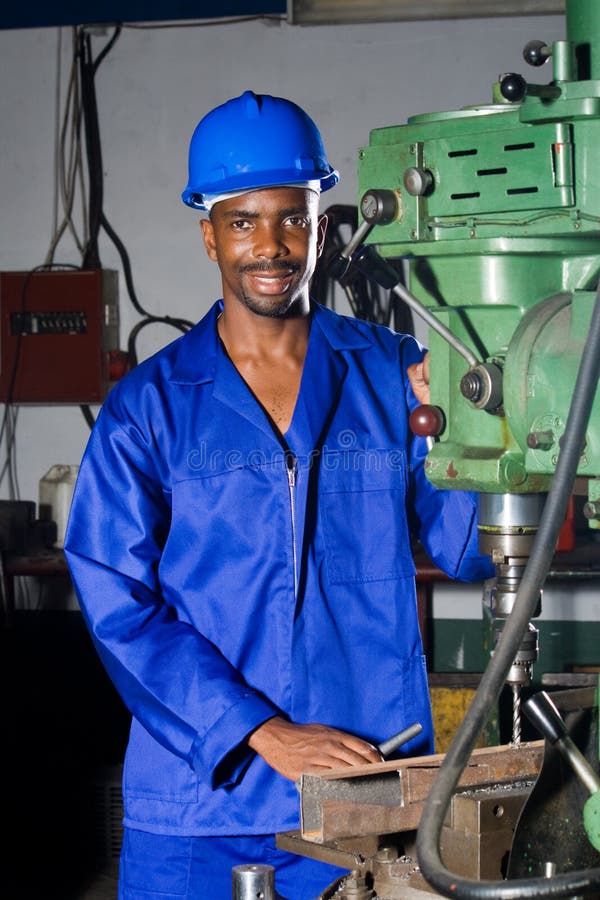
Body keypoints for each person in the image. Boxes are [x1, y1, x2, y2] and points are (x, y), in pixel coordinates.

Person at [64, 90, 493, 900]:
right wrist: (259, 729)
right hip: (201, 803)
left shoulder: (394, 377)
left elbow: (466, 549)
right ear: (208, 234)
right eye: (242, 221)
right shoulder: (150, 408)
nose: (270, 245)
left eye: (293, 217)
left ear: (322, 227)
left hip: (365, 794)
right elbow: (115, 602)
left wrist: (470, 434)